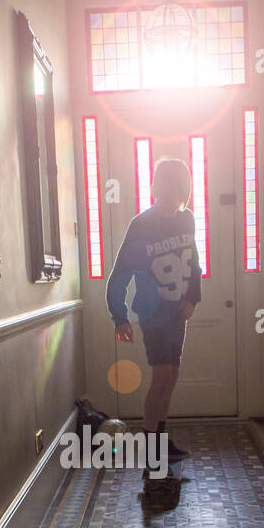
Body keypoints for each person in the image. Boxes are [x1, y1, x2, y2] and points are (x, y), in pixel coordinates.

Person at [105, 157, 200, 467]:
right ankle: (149, 444)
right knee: (161, 376)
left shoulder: (187, 220)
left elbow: (193, 263)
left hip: (178, 312)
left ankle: (161, 436)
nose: (173, 196)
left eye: (179, 189)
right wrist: (119, 315)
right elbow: (120, 271)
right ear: (158, 187)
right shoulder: (141, 224)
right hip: (153, 312)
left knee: (172, 375)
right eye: (168, 188)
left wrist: (192, 298)